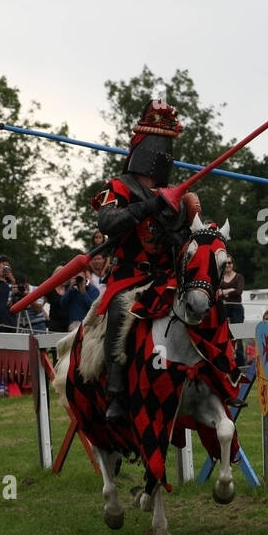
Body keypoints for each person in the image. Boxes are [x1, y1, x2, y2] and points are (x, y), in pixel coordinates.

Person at [94, 99, 195, 422]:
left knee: (200, 303)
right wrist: (150, 206)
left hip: (167, 276)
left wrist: (179, 219)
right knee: (118, 314)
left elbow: (183, 238)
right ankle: (116, 394)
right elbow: (108, 223)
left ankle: (214, 372)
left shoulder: (172, 193)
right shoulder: (119, 187)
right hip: (129, 277)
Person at [219, 259, 246, 364]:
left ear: (233, 264)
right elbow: (217, 291)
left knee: (237, 337)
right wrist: (231, 290)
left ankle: (241, 365)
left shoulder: (239, 277)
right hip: (222, 308)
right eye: (225, 263)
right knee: (222, 336)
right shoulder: (219, 277)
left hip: (236, 309)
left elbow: (239, 291)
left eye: (229, 262)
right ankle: (225, 363)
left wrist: (224, 292)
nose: (227, 265)